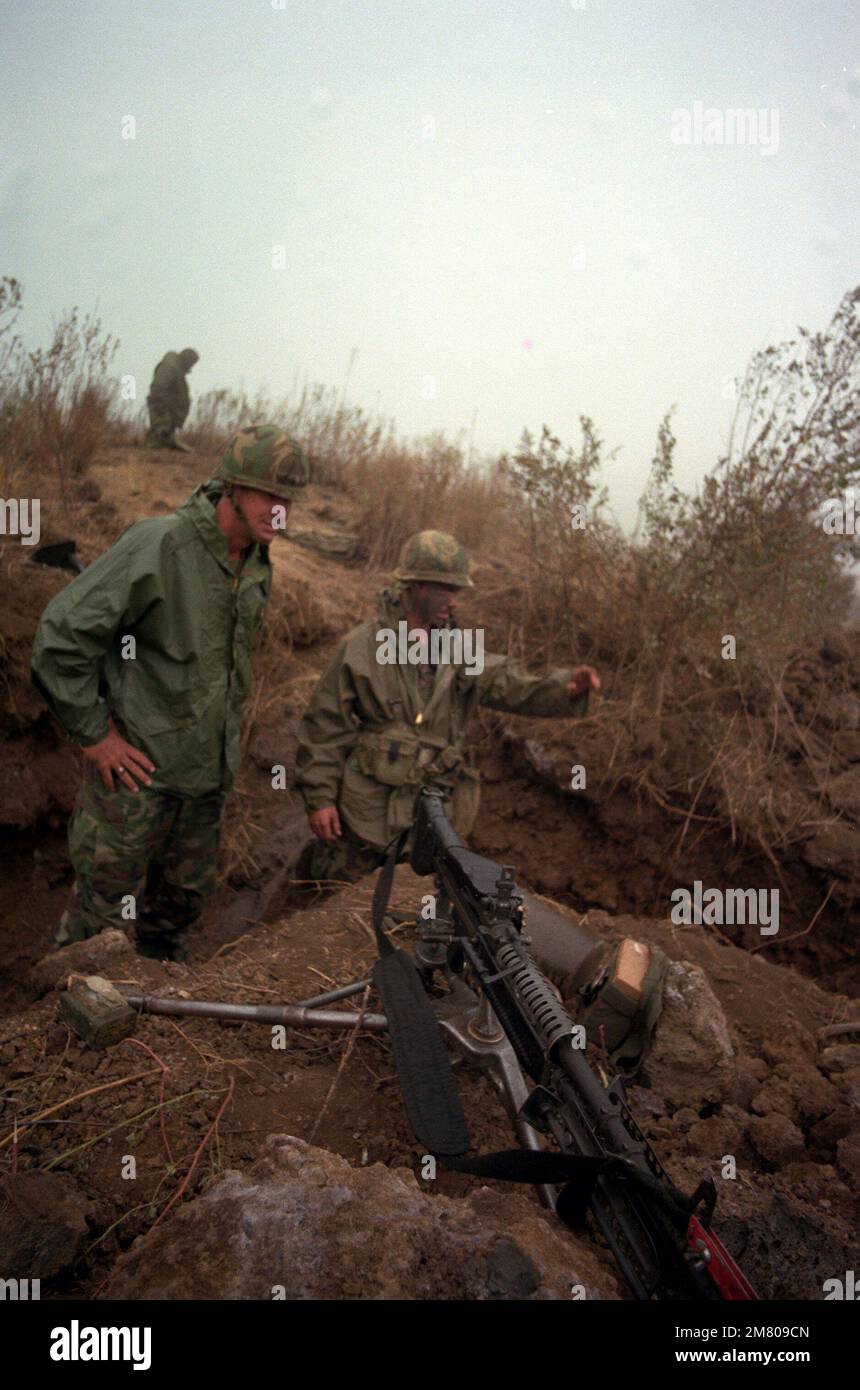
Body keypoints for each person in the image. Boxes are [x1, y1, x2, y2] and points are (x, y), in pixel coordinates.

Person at [293, 529, 667, 1073]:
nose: (454, 600)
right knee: (339, 895)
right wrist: (319, 796)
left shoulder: (458, 651)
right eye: (444, 588)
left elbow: (509, 681)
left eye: (458, 590)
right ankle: (311, 974)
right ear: (413, 586)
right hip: (366, 807)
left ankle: (416, 990)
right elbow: (324, 726)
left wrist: (566, 689)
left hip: (433, 811)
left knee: (424, 905)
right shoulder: (361, 646)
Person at [31, 425, 308, 958]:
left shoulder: (255, 562)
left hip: (205, 783)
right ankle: (60, 1023)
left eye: (288, 500)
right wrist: (94, 734)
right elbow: (60, 637)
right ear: (230, 485)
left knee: (175, 913)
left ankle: (161, 1013)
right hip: (136, 781)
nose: (280, 512)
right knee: (99, 920)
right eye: (268, 495)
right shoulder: (159, 543)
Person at [145, 348, 199, 450]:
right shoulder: (171, 367)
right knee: (160, 434)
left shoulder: (177, 369)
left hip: (168, 411)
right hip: (162, 408)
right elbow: (158, 388)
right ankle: (156, 442)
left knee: (165, 435)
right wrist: (162, 408)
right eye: (192, 363)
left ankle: (165, 440)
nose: (191, 366)